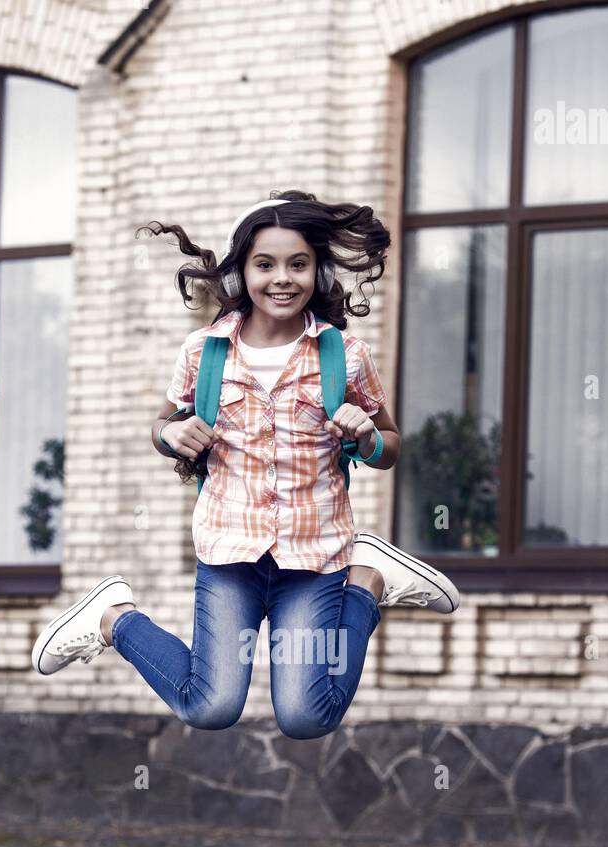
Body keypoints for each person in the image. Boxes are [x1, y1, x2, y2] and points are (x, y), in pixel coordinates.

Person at [31, 189, 460, 739]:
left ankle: (366, 581)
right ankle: (115, 618)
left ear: (317, 271)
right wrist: (173, 433)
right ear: (241, 274)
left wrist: (367, 437)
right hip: (230, 553)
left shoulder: (344, 355)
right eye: (265, 264)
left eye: (298, 264)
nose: (282, 278)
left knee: (307, 716)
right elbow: (161, 428)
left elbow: (390, 443)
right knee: (210, 706)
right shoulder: (202, 353)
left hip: (314, 556)